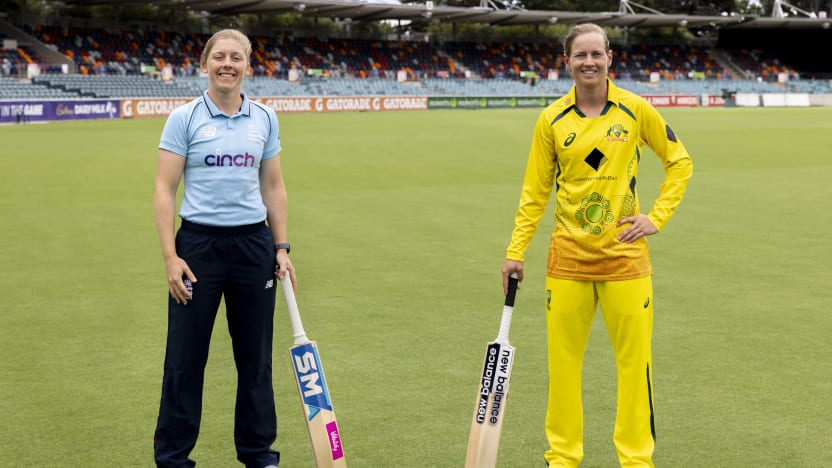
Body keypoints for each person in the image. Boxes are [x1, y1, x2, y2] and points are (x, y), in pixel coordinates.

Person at [501, 23, 693, 467]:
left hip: (626, 260)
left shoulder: (635, 109)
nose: (589, 62)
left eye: (596, 54)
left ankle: (636, 460)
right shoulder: (551, 119)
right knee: (563, 371)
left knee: (634, 369)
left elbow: (679, 162)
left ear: (610, 58)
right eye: (579, 55)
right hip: (567, 261)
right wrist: (516, 251)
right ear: (566, 62)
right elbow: (534, 193)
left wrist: (655, 217)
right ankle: (563, 459)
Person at [152, 29, 295, 468]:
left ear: (248, 66)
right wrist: (171, 257)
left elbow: (273, 186)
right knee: (184, 359)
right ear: (205, 64)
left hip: (253, 247)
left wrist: (281, 247)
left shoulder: (265, 118)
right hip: (197, 248)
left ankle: (257, 454)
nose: (227, 63)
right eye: (219, 56)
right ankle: (174, 459)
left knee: (255, 360)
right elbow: (164, 189)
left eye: (236, 57)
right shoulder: (184, 118)